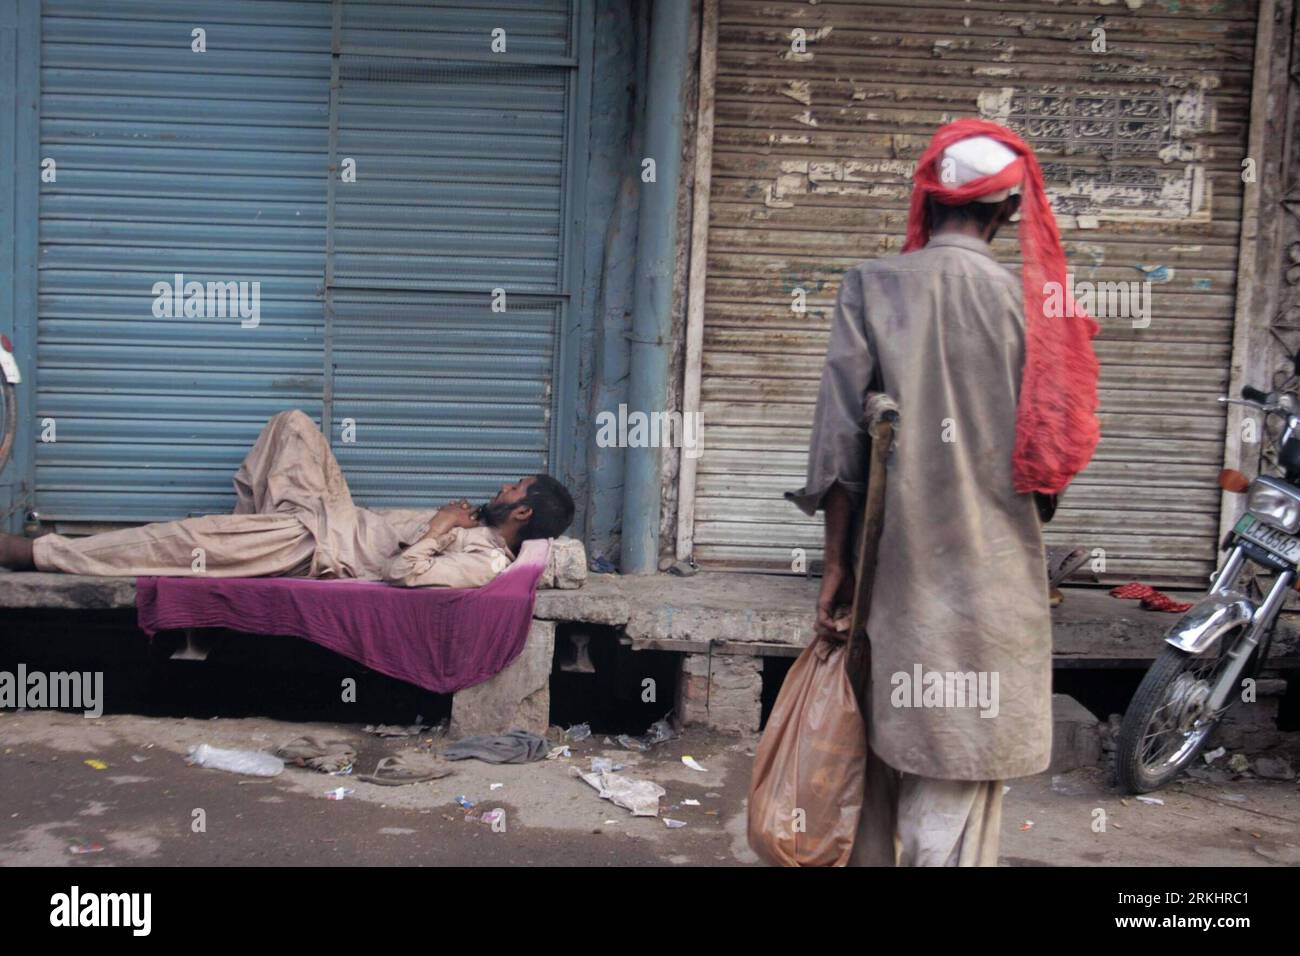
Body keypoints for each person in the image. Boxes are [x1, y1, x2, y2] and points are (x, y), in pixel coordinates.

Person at [786, 119, 1100, 866]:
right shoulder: (1038, 306)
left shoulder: (872, 286)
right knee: (958, 754)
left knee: (889, 740)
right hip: (995, 574)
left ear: (928, 201)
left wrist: (836, 567)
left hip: (893, 568)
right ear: (1007, 212)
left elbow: (839, 449)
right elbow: (1057, 450)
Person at [0, 409, 575, 588]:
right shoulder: (477, 525)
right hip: (334, 514)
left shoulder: (482, 561)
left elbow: (403, 576)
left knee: (180, 540)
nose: (503, 487)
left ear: (523, 512)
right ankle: (243, 539)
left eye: (514, 488)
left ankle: (37, 554)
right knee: (294, 424)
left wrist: (436, 529)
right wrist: (447, 520)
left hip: (315, 544)